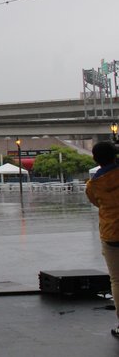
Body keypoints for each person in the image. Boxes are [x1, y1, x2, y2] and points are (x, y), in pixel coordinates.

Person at [85, 141, 119, 337]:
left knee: (116, 279)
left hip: (111, 233)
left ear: (95, 160)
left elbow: (96, 203)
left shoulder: (93, 185)